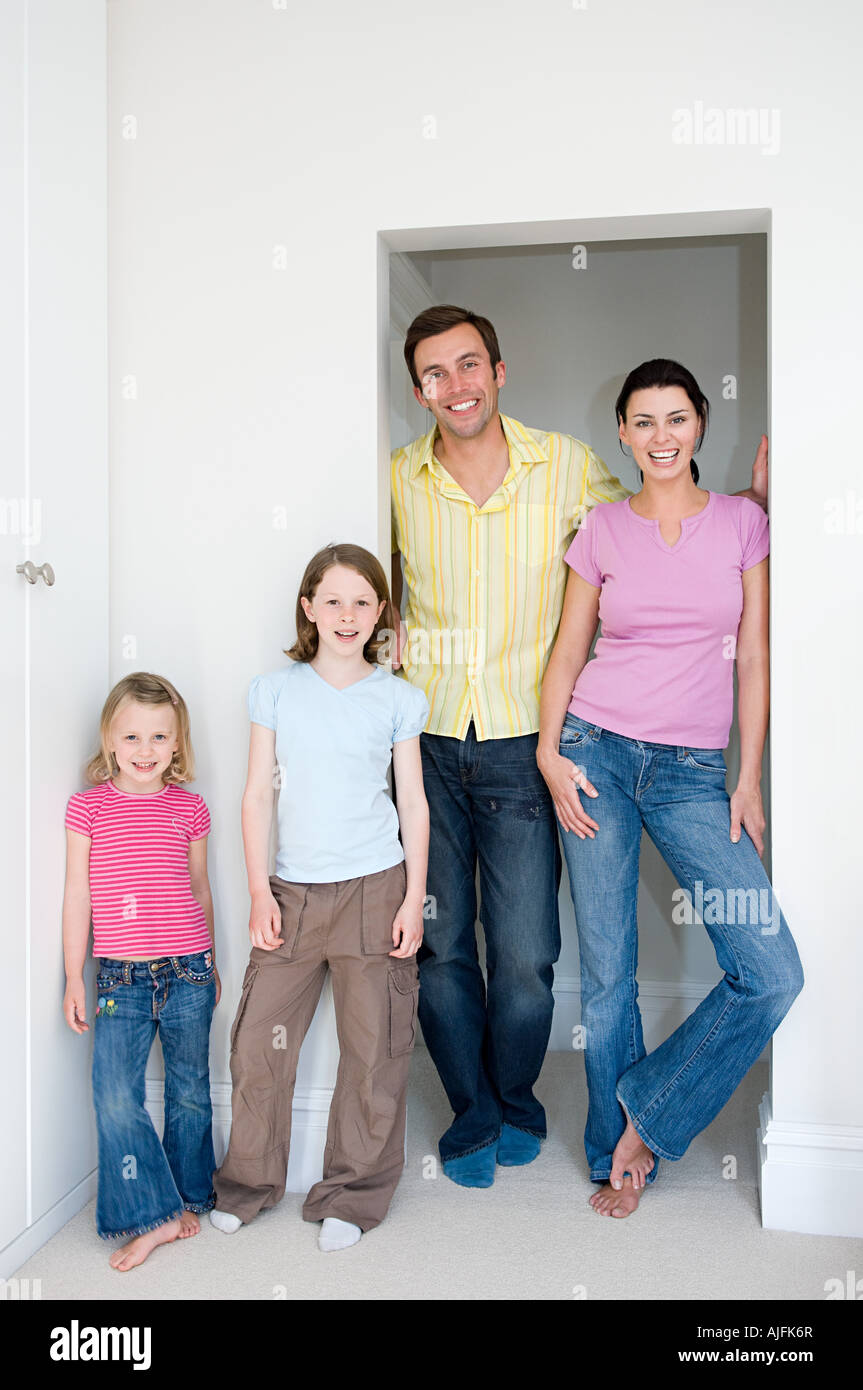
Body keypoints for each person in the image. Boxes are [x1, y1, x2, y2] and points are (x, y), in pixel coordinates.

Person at [390, 304, 768, 1189]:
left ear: (499, 369)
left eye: (470, 364)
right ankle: (482, 1114)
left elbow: (663, 510)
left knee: (525, 958)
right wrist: (379, 646)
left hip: (534, 736)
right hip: (431, 736)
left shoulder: (564, 467)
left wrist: (749, 512)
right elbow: (368, 587)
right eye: (437, 373)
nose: (457, 385)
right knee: (444, 949)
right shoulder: (395, 477)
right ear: (419, 391)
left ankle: (527, 1096)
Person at [537, 358, 804, 1218]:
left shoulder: (741, 525)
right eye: (643, 421)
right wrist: (548, 750)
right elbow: (568, 651)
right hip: (594, 754)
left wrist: (747, 779)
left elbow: (754, 656)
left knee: (767, 969)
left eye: (676, 418)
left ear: (699, 425)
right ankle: (610, 1155)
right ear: (622, 431)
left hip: (692, 771)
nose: (660, 436)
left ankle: (645, 1117)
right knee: (609, 974)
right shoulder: (601, 530)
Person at [210, 543, 429, 1252]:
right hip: (292, 896)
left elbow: (415, 805)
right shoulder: (272, 692)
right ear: (307, 608)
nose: (346, 614)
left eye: (362, 601)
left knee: (374, 1054)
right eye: (331, 600)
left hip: (376, 889)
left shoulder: (398, 698)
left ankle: (351, 1194)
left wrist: (411, 898)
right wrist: (256, 891)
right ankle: (247, 1185)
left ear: (379, 614)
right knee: (257, 1049)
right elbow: (254, 797)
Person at [62, 672, 220, 1271]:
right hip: (117, 981)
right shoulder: (88, 808)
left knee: (190, 1092)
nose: (146, 751)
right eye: (132, 736)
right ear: (109, 738)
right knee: (114, 1095)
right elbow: (78, 896)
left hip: (189, 971)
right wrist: (74, 976)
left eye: (159, 737)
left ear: (178, 743)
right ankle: (153, 1215)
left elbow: (200, 890)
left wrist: (215, 963)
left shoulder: (189, 808)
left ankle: (187, 1201)